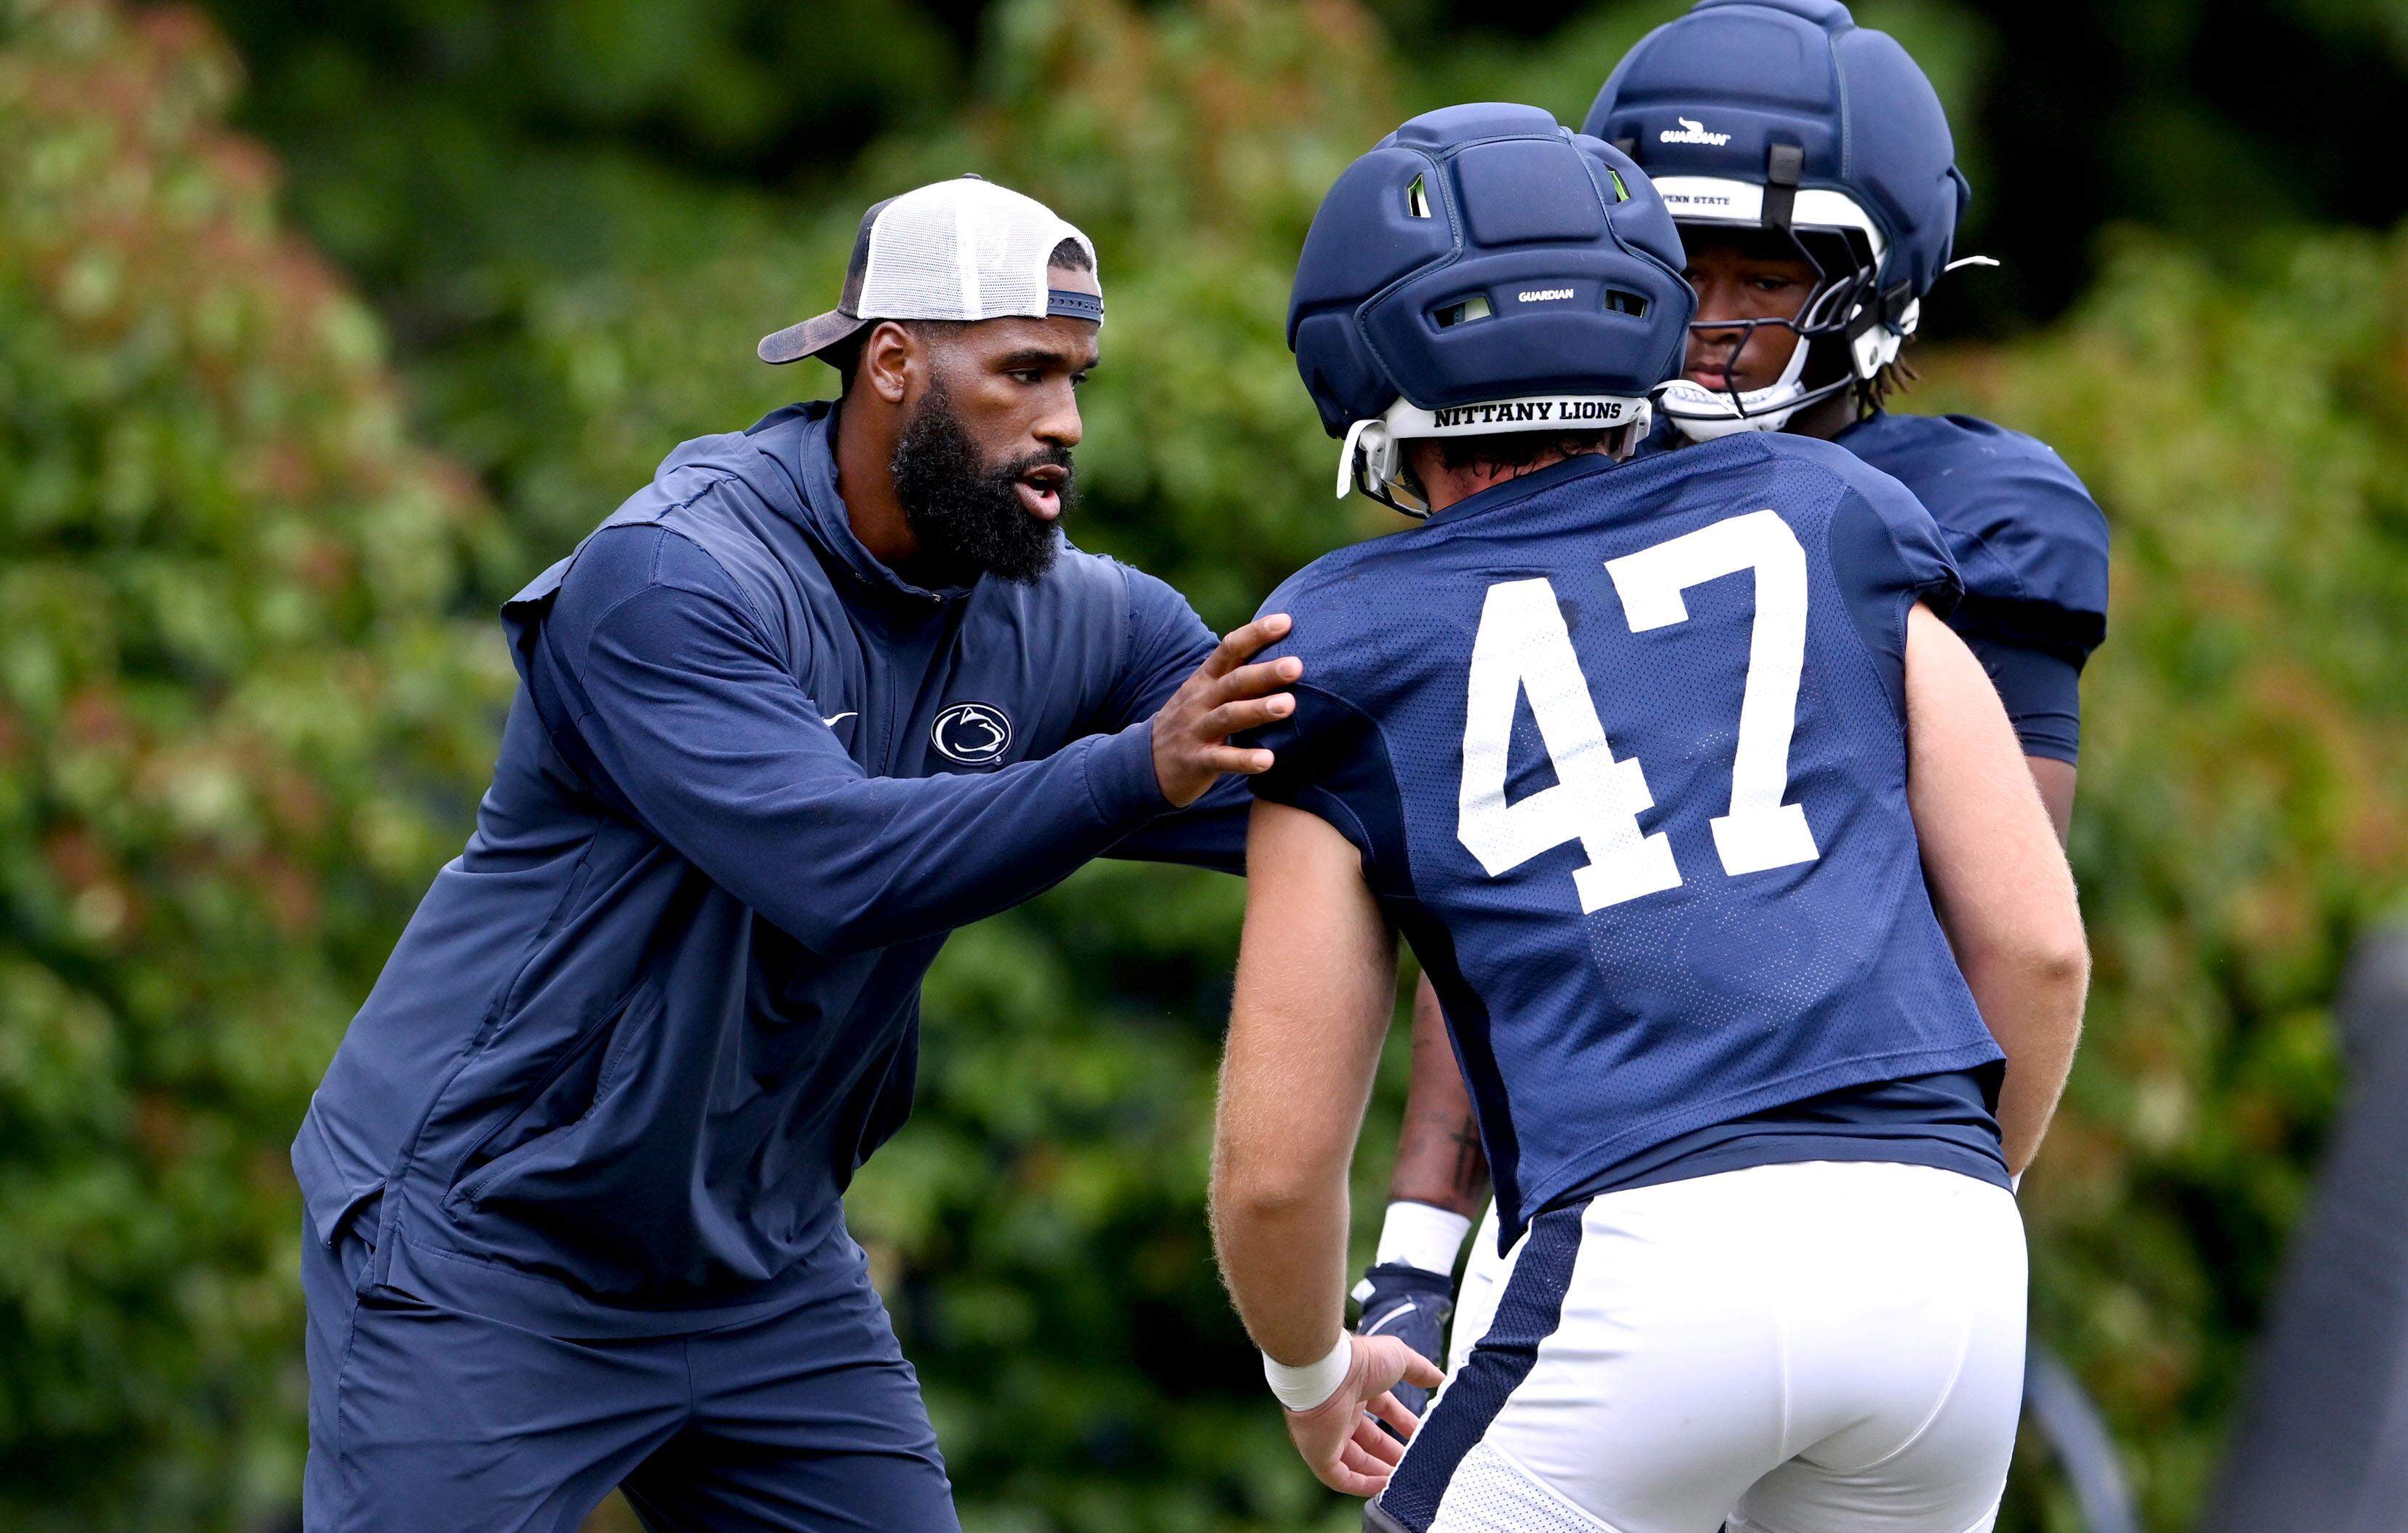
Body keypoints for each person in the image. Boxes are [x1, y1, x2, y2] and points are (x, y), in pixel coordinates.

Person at [292, 175, 1294, 1532]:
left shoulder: (1081, 617)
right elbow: (839, 870)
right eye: (1022, 372)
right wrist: (1134, 767)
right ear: (891, 363)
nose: (1065, 420)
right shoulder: (668, 581)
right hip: (490, 1248)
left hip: (759, 1261)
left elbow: (1322, 810)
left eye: (1076, 377)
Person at [1209, 103, 2089, 1529]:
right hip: (1940, 1263)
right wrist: (1937, 1197)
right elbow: (2040, 948)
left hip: (1639, 1249)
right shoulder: (1829, 504)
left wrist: (1312, 1368)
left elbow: (1272, 1167)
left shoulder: (1340, 633)